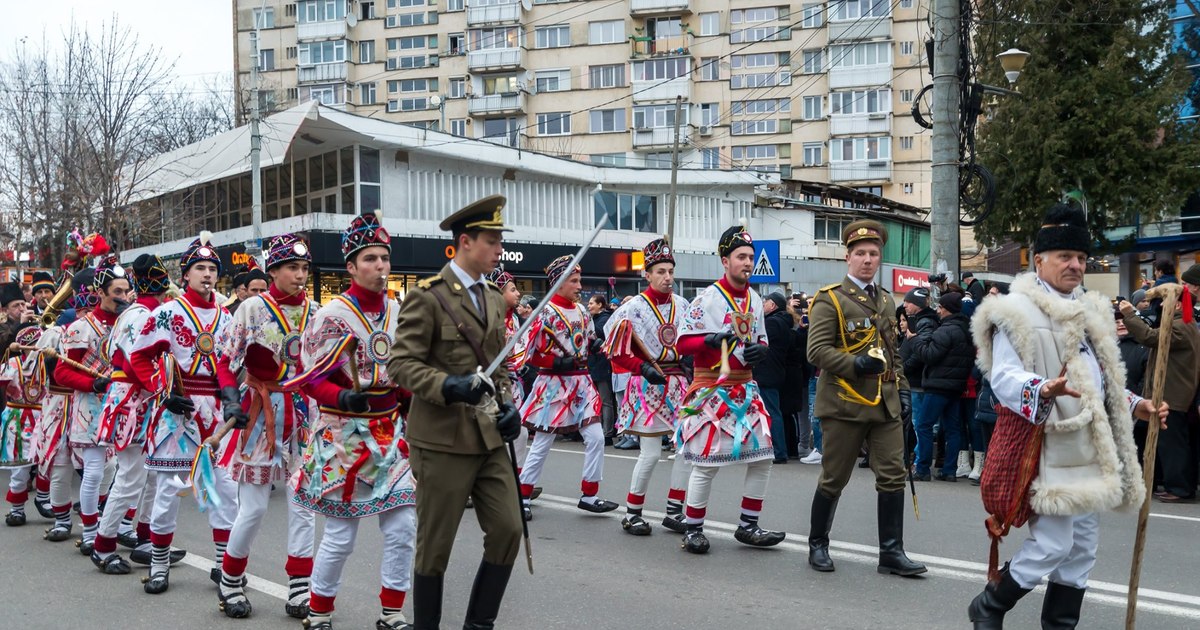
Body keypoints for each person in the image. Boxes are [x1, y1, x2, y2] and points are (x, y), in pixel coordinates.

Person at [968, 202, 1166, 629]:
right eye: (1065, 257)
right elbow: (1002, 377)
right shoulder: (1015, 311)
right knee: (1054, 544)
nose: (1075, 265)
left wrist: (1138, 405)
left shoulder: (1091, 310)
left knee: (1081, 551)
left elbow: (1101, 380)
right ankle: (990, 605)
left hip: (1089, 446)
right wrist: (1041, 389)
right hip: (1047, 445)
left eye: (1080, 258)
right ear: (1039, 260)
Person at [388, 195, 524, 630]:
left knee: (508, 529)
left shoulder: (493, 298)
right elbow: (401, 364)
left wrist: (509, 410)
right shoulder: (427, 297)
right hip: (442, 439)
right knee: (436, 546)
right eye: (491, 240)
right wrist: (448, 386)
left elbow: (498, 366)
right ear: (466, 241)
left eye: (500, 240)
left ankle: (478, 625)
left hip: (488, 436)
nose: (498, 248)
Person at [288, 212, 416, 630]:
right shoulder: (332, 315)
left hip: (390, 433)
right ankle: (319, 611)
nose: (381, 267)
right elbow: (310, 378)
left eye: (384, 258)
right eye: (370, 259)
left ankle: (392, 611)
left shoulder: (399, 313)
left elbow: (405, 375)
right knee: (342, 536)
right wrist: (343, 395)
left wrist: (417, 402)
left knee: (403, 526)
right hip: (343, 434)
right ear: (351, 266)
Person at [806, 219, 925, 577]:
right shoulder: (831, 300)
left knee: (892, 475)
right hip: (845, 402)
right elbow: (817, 352)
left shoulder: (887, 300)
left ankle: (891, 552)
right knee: (834, 477)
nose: (868, 260)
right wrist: (855, 363)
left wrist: (902, 391)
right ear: (848, 257)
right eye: (861, 253)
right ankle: (818, 544)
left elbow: (895, 351)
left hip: (885, 402)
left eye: (874, 253)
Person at [212, 234, 320, 619]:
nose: (301, 275)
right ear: (273, 270)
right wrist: (228, 398)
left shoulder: (317, 311)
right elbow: (225, 359)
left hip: (303, 415)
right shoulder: (253, 308)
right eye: (293, 267)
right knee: (254, 508)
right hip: (260, 411)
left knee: (304, 505)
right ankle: (229, 578)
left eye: (305, 268)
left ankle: (299, 589)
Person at [129, 232, 242, 594]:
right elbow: (138, 357)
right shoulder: (167, 313)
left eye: (212, 268)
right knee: (170, 492)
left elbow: (237, 365)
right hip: (178, 412)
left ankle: (225, 566)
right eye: (199, 268)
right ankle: (159, 565)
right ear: (186, 275)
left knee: (226, 492)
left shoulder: (229, 318)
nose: (207, 274)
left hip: (219, 417)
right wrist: (163, 392)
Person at [674, 225, 783, 554]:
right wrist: (707, 340)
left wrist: (762, 350)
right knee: (707, 463)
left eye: (750, 257)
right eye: (741, 257)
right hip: (711, 387)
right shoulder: (707, 298)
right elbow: (682, 341)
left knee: (763, 457)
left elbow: (761, 339)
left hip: (746, 389)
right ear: (725, 260)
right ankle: (692, 528)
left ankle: (749, 525)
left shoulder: (754, 298)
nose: (747, 263)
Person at [89, 254, 182, 575]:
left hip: (145, 400)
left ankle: (145, 539)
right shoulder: (141, 314)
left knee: (153, 475)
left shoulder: (143, 312)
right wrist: (165, 390)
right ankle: (103, 546)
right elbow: (133, 363)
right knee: (130, 477)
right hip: (132, 402)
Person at [602, 236, 693, 536]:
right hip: (646, 385)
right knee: (651, 454)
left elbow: (692, 341)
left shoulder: (683, 305)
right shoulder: (633, 309)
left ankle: (674, 511)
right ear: (647, 274)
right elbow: (615, 349)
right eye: (660, 272)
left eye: (670, 271)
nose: (667, 278)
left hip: (678, 384)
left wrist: (691, 361)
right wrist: (640, 367)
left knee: (685, 450)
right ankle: (633, 512)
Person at [517, 255, 618, 520]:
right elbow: (530, 354)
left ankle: (589, 495)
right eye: (574, 281)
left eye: (579, 280)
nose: (579, 286)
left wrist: (595, 346)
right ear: (559, 283)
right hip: (553, 385)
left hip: (581, 384)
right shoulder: (545, 313)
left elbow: (588, 339)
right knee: (543, 442)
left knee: (596, 438)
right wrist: (557, 362)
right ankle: (523, 495)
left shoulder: (583, 311)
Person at [57, 255, 129, 555]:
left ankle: (119, 527)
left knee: (124, 471)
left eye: (127, 291)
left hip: (124, 406)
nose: (124, 298)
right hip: (92, 407)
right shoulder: (80, 328)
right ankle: (89, 531)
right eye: (118, 292)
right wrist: (93, 384)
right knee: (96, 471)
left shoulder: (131, 323)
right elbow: (62, 371)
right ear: (100, 293)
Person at [1119, 289, 1200, 502]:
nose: (1162, 306)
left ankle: (1179, 487)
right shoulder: (1184, 323)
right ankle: (1176, 484)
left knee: (1172, 444)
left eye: (1167, 302)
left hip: (1172, 394)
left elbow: (1149, 337)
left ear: (1179, 305)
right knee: (1172, 442)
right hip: (1172, 392)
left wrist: (1130, 315)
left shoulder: (1181, 326)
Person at [909, 290, 974, 482]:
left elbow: (929, 355)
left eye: (940, 307)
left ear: (947, 310)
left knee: (923, 425)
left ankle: (922, 469)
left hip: (938, 385)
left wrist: (914, 340)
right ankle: (949, 470)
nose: (937, 310)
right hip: (956, 387)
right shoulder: (966, 330)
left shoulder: (945, 330)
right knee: (953, 429)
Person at [0, 323, 44, 527]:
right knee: (20, 467)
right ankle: (16, 510)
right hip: (17, 417)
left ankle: (46, 499)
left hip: (45, 417)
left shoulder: (48, 364)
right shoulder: (12, 363)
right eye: (33, 345)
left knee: (49, 462)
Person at [755, 291, 795, 464]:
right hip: (775, 372)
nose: (763, 305)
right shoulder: (784, 323)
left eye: (765, 303)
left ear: (773, 305)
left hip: (766, 373)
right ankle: (776, 449)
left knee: (772, 412)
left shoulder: (771, 324)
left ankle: (779, 451)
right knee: (773, 411)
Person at [586, 294, 617, 445]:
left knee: (606, 401)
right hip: (594, 365)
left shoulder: (605, 319)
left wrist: (587, 324)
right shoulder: (595, 319)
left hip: (602, 365)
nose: (589, 306)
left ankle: (607, 433)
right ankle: (597, 432)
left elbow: (597, 333)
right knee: (595, 400)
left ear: (600, 305)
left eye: (592, 303)